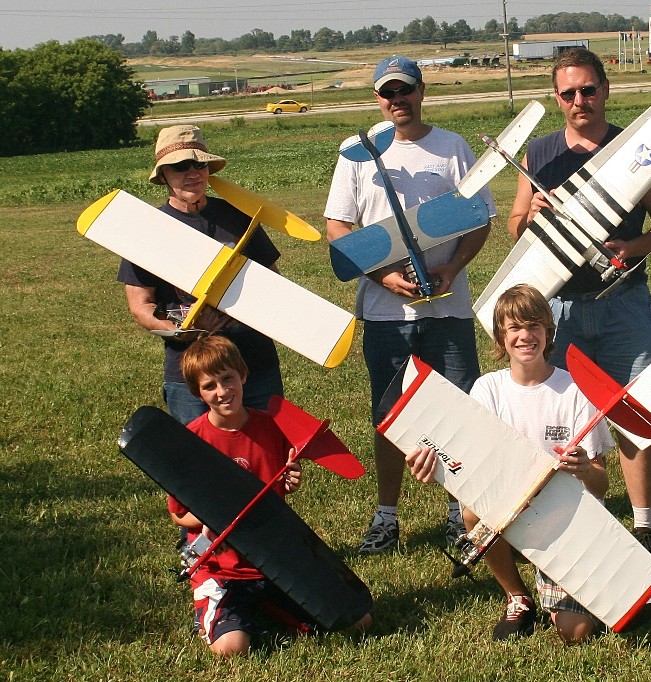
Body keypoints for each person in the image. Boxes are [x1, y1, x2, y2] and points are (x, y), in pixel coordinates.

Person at [506, 47, 651, 562]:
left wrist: (634, 248)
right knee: (560, 415)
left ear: (605, 90)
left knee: (634, 411)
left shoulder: (636, 148)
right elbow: (514, 227)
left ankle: (645, 524)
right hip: (559, 309)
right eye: (568, 93)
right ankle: (560, 519)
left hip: (624, 300)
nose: (579, 100)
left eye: (588, 89)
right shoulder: (538, 154)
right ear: (557, 98)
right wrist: (531, 214)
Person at [324, 55, 496, 554]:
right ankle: (387, 516)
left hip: (448, 308)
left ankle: (457, 512)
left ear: (422, 92)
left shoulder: (452, 148)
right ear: (377, 99)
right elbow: (339, 227)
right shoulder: (356, 154)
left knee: (460, 409)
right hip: (384, 313)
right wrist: (382, 274)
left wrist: (452, 268)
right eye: (387, 93)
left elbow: (480, 218)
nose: (397, 100)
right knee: (390, 413)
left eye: (405, 90)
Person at [405, 284, 615, 643]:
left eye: (533, 325)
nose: (525, 336)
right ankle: (517, 595)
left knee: (575, 632)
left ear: (549, 331)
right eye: (514, 328)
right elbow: (466, 465)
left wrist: (583, 469)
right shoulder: (488, 389)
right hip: (510, 508)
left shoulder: (575, 390)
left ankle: (563, 583)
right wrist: (430, 464)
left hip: (566, 517)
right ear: (501, 338)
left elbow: (601, 486)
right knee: (470, 511)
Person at [171, 335, 371, 657]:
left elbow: (275, 497)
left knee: (357, 621)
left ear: (243, 376)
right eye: (210, 386)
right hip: (222, 568)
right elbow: (179, 515)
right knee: (231, 649)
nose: (222, 392)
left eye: (227, 379)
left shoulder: (271, 428)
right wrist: (216, 517)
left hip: (274, 561)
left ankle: (265, 602)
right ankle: (223, 607)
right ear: (197, 392)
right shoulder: (190, 441)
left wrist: (288, 482)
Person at [118, 125, 284, 425]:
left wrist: (242, 311)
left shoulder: (238, 216)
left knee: (266, 451)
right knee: (201, 462)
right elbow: (140, 305)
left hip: (253, 365)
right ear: (164, 175)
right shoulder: (146, 229)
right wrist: (187, 330)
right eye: (180, 166)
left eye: (200, 164)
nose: (192, 173)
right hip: (190, 374)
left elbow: (275, 282)